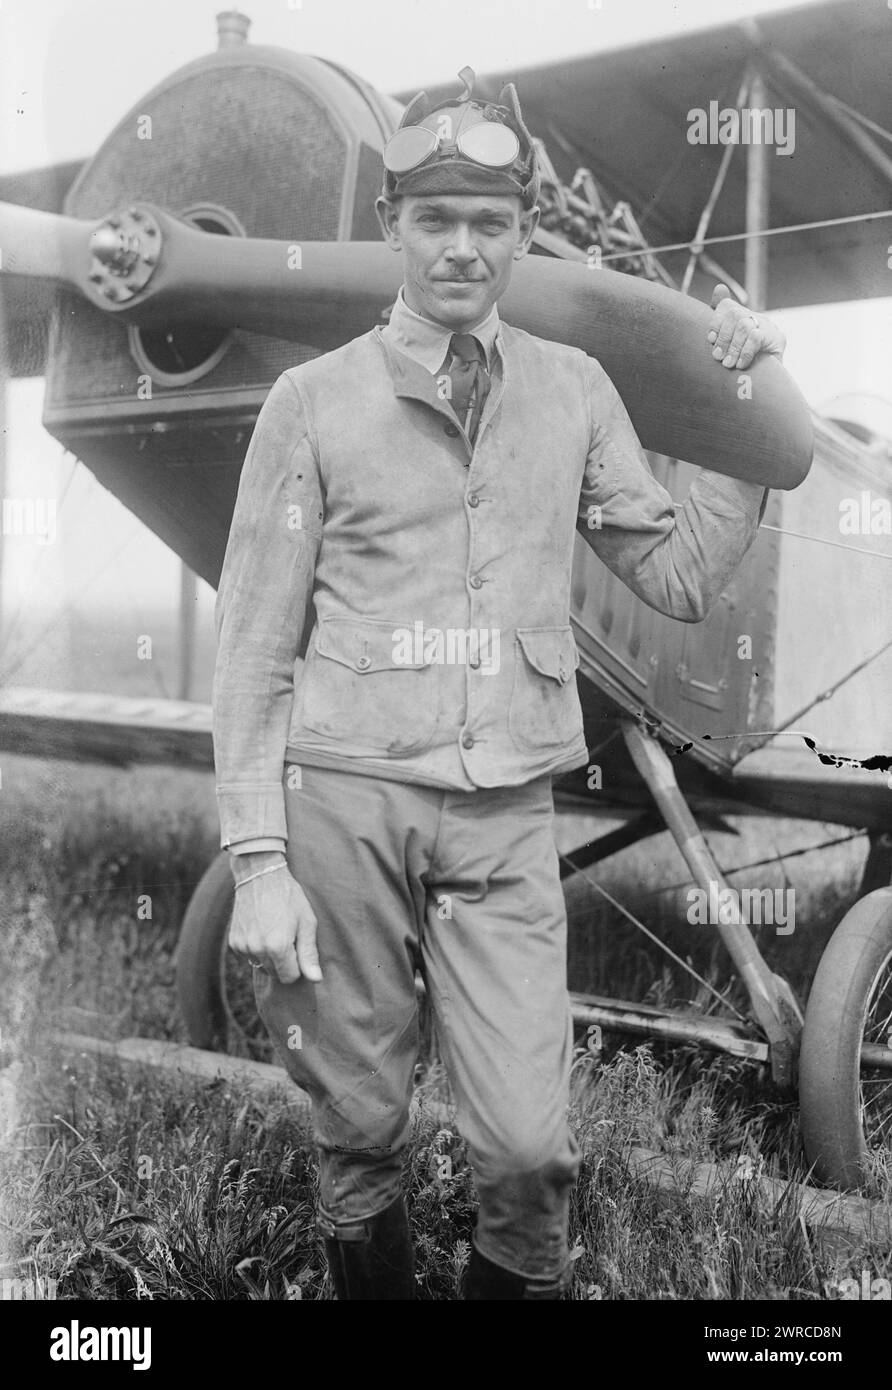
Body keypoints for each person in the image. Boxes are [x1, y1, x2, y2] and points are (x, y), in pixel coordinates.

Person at [211, 69, 786, 1300]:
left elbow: (678, 576)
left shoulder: (573, 389)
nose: (461, 247)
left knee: (527, 1149)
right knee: (358, 1125)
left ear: (522, 233)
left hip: (504, 811)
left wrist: (741, 407)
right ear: (392, 228)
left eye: (487, 221)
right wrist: (258, 861)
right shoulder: (308, 406)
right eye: (434, 218)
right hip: (344, 807)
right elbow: (254, 651)